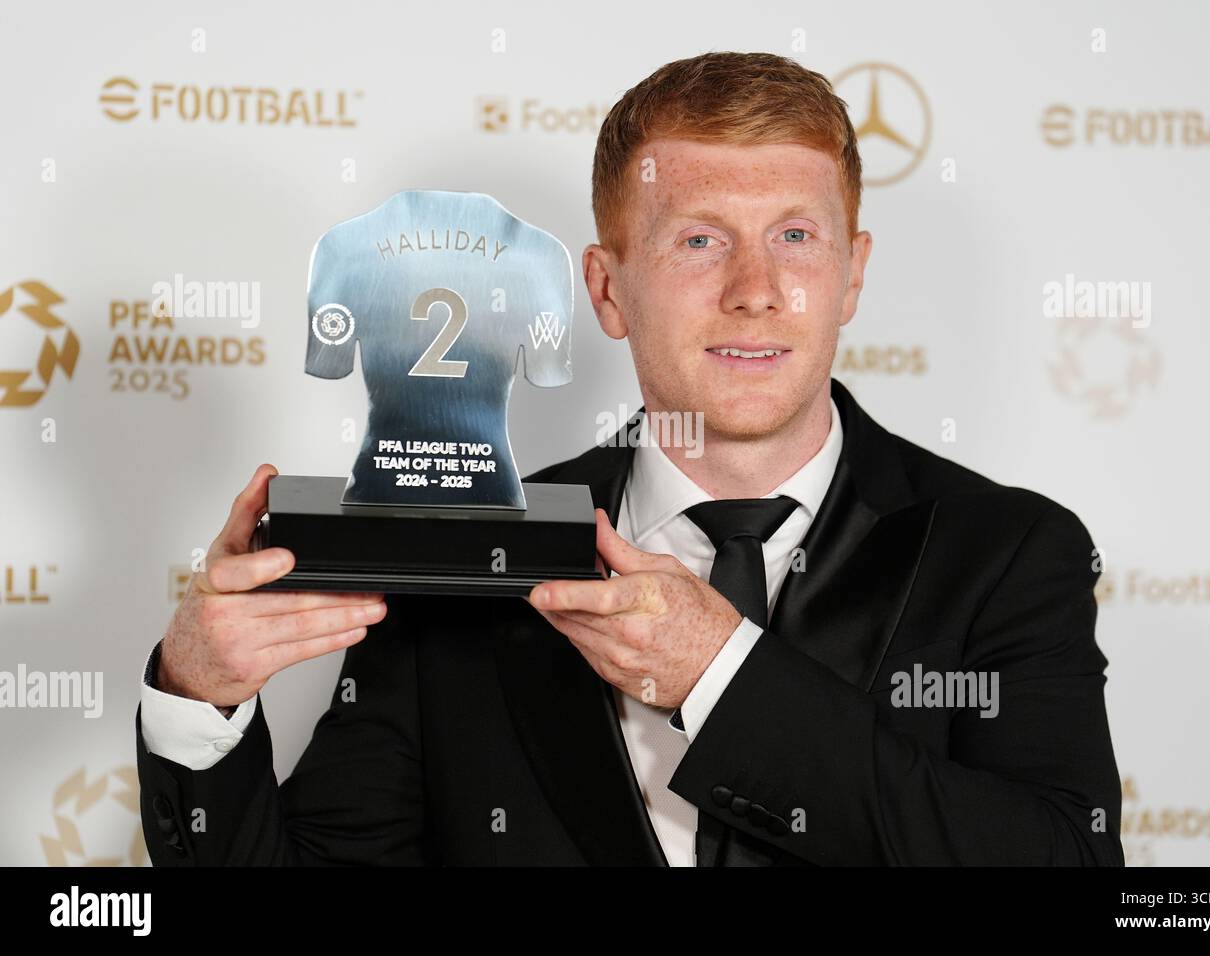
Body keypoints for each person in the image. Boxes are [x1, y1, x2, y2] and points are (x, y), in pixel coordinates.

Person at [136, 51, 1123, 866]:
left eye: (794, 234)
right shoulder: (471, 553)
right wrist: (195, 700)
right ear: (606, 290)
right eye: (698, 240)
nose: (756, 288)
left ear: (851, 273)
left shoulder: (1006, 551)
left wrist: (722, 674)